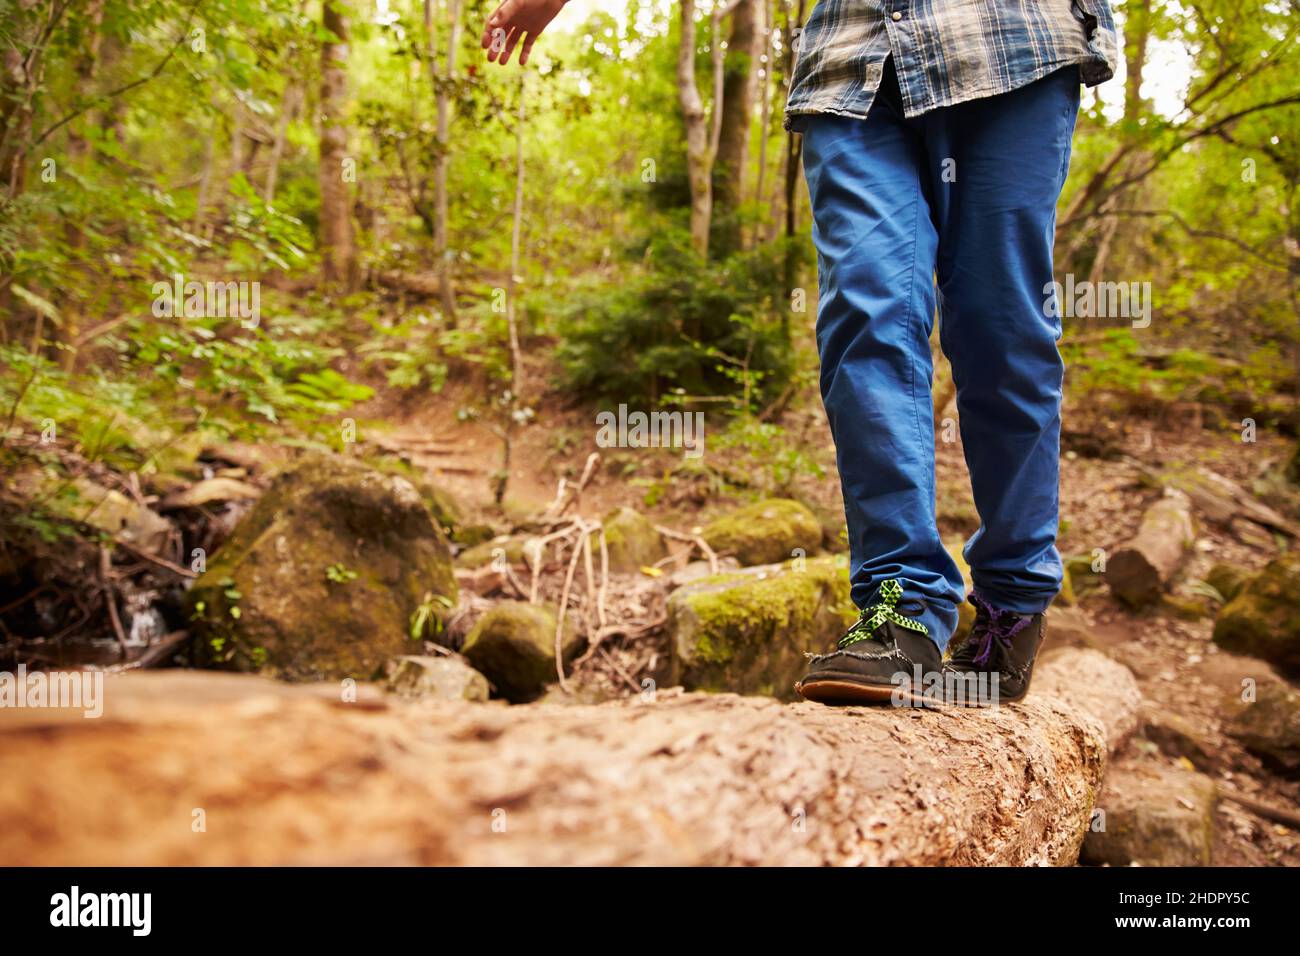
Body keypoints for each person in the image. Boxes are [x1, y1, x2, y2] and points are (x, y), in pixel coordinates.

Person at [481, 1, 1118, 707]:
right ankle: (901, 608)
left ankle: (1011, 604)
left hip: (1009, 38)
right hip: (851, 60)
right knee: (865, 309)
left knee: (999, 325)